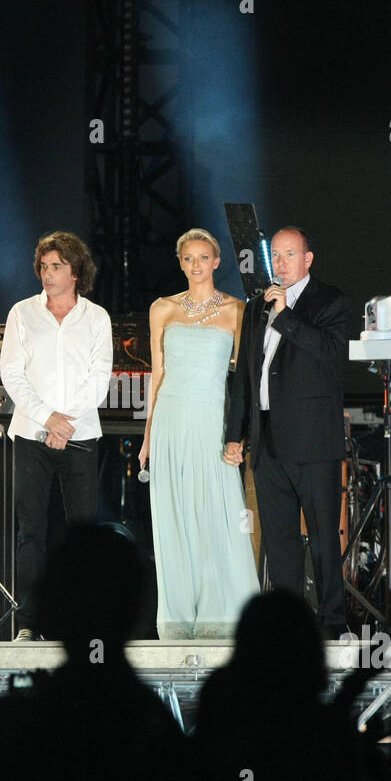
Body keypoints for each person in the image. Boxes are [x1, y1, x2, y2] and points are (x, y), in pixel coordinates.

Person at [224, 226, 355, 637]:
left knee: (321, 537)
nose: (280, 264)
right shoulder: (256, 307)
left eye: (289, 254)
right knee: (279, 541)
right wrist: (236, 432)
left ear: (308, 259)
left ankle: (332, 622)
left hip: (313, 441)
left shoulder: (330, 301)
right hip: (267, 440)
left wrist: (288, 316)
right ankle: (288, 627)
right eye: (275, 256)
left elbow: (332, 356)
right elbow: (246, 376)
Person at [138, 228, 259, 638]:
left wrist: (237, 435)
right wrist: (147, 436)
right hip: (170, 419)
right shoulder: (162, 309)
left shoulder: (237, 311)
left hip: (211, 421)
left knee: (215, 516)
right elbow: (157, 375)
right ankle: (176, 621)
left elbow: (243, 382)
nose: (195, 266)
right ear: (181, 262)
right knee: (172, 518)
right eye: (188, 258)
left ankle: (220, 618)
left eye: (203, 258)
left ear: (217, 261)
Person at [0, 231, 113, 641]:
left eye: (57, 267)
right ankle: (31, 623)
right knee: (32, 531)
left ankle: (81, 621)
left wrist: (67, 423)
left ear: (76, 271)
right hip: (31, 434)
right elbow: (11, 373)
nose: (48, 274)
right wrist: (49, 419)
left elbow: (100, 378)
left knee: (82, 531)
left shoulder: (96, 317)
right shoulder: (22, 313)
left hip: (81, 435)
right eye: (44, 267)